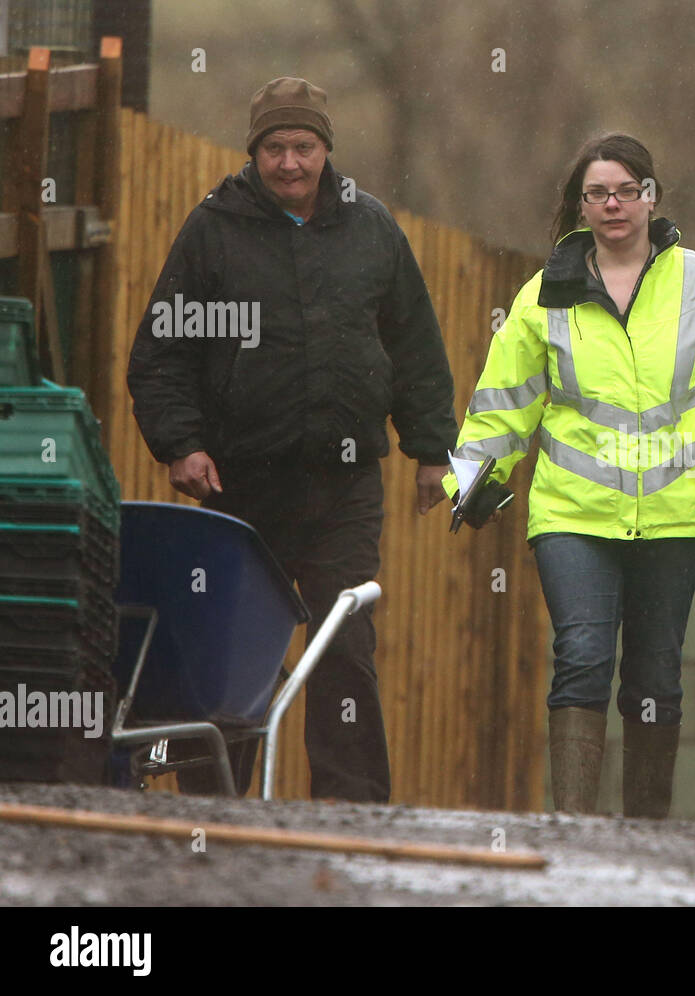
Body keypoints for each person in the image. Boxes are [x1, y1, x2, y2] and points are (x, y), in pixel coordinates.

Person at [127, 77, 458, 802]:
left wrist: (432, 452)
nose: (288, 163)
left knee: (345, 646)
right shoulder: (213, 230)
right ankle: (216, 807)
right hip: (239, 485)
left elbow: (416, 347)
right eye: (273, 148)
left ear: (325, 150)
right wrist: (181, 443)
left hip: (344, 486)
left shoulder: (371, 229)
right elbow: (160, 355)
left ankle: (352, 808)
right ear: (254, 153)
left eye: (302, 146)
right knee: (233, 650)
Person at [447, 134, 695, 817]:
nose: (614, 205)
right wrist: (466, 481)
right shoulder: (545, 295)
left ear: (651, 197)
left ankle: (644, 836)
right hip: (572, 515)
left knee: (654, 674)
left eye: (627, 191)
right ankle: (576, 831)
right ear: (580, 206)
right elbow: (503, 400)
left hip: (672, 513)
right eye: (598, 193)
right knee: (581, 655)